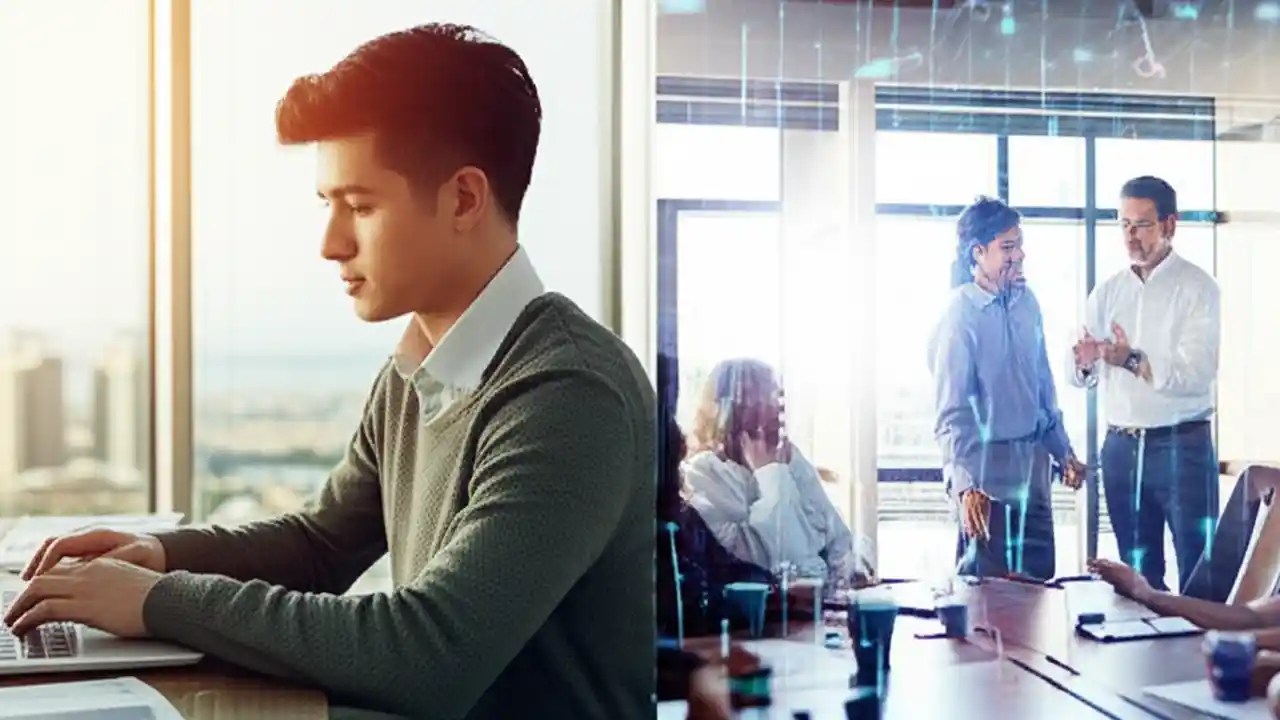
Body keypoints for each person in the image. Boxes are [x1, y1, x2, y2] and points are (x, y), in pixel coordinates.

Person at [3, 24, 655, 720]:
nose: (330, 243)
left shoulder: (568, 394)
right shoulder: (419, 371)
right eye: (328, 205)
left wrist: (156, 602)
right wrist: (157, 557)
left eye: (361, 206)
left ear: (464, 199)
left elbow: (431, 651)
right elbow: (320, 546)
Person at [1069, 176, 1220, 593]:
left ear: (1170, 225)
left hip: (1181, 447)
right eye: (1124, 225)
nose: (1130, 236)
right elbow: (1082, 375)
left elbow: (1196, 374)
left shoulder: (1198, 288)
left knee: (1199, 574)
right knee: (1137, 580)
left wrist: (1130, 359)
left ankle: (1199, 658)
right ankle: (1149, 658)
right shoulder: (1107, 292)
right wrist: (1084, 362)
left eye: (1142, 224)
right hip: (1121, 449)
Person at [929, 196, 1085, 581]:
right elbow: (952, 416)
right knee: (989, 607)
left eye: (1020, 244)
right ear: (978, 253)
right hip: (986, 486)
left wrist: (1063, 452)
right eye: (1007, 247)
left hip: (1033, 478)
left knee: (1038, 597)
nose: (1019, 255)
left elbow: (1043, 388)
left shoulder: (1027, 303)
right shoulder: (958, 315)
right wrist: (966, 489)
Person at [681, 358, 872, 585]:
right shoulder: (700, 476)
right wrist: (770, 474)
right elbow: (773, 562)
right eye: (758, 406)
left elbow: (838, 540)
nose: (770, 418)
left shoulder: (790, 458)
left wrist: (843, 577)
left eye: (775, 404)